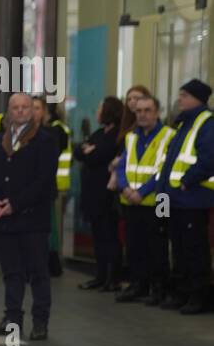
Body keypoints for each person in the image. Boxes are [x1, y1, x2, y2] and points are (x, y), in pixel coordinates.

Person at [125, 78, 214, 314]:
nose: (180, 100)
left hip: (191, 198)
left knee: (194, 247)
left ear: (197, 98)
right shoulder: (184, 124)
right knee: (175, 245)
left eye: (184, 95)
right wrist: (164, 194)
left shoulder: (205, 123)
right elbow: (168, 164)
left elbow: (208, 159)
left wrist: (186, 181)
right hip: (168, 198)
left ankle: (197, 295)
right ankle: (179, 292)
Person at [0, 93, 58, 340]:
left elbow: (44, 182)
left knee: (37, 272)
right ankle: (12, 319)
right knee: (11, 273)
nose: (21, 111)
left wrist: (15, 204)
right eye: (15, 107)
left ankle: (40, 322)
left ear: (34, 111)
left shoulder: (45, 141)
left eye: (26, 107)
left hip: (32, 218)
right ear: (9, 111)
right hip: (5, 218)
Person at [112, 90, 172, 304]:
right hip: (131, 199)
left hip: (158, 200)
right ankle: (138, 284)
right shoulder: (131, 137)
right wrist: (126, 188)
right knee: (134, 244)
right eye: (139, 111)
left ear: (157, 112)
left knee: (157, 245)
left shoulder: (168, 136)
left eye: (148, 110)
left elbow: (163, 170)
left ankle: (158, 288)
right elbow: (122, 166)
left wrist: (142, 192)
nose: (143, 115)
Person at [74, 95, 125, 293]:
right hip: (92, 194)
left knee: (109, 236)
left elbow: (99, 156)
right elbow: (79, 150)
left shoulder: (116, 135)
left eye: (100, 108)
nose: (97, 112)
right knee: (98, 236)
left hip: (106, 195)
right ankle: (100, 275)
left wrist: (90, 152)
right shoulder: (99, 133)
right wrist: (86, 150)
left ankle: (113, 278)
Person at [32, 97, 72, 277]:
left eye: (37, 108)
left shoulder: (53, 133)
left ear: (45, 112)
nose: (33, 112)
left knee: (48, 229)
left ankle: (49, 263)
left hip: (47, 188)